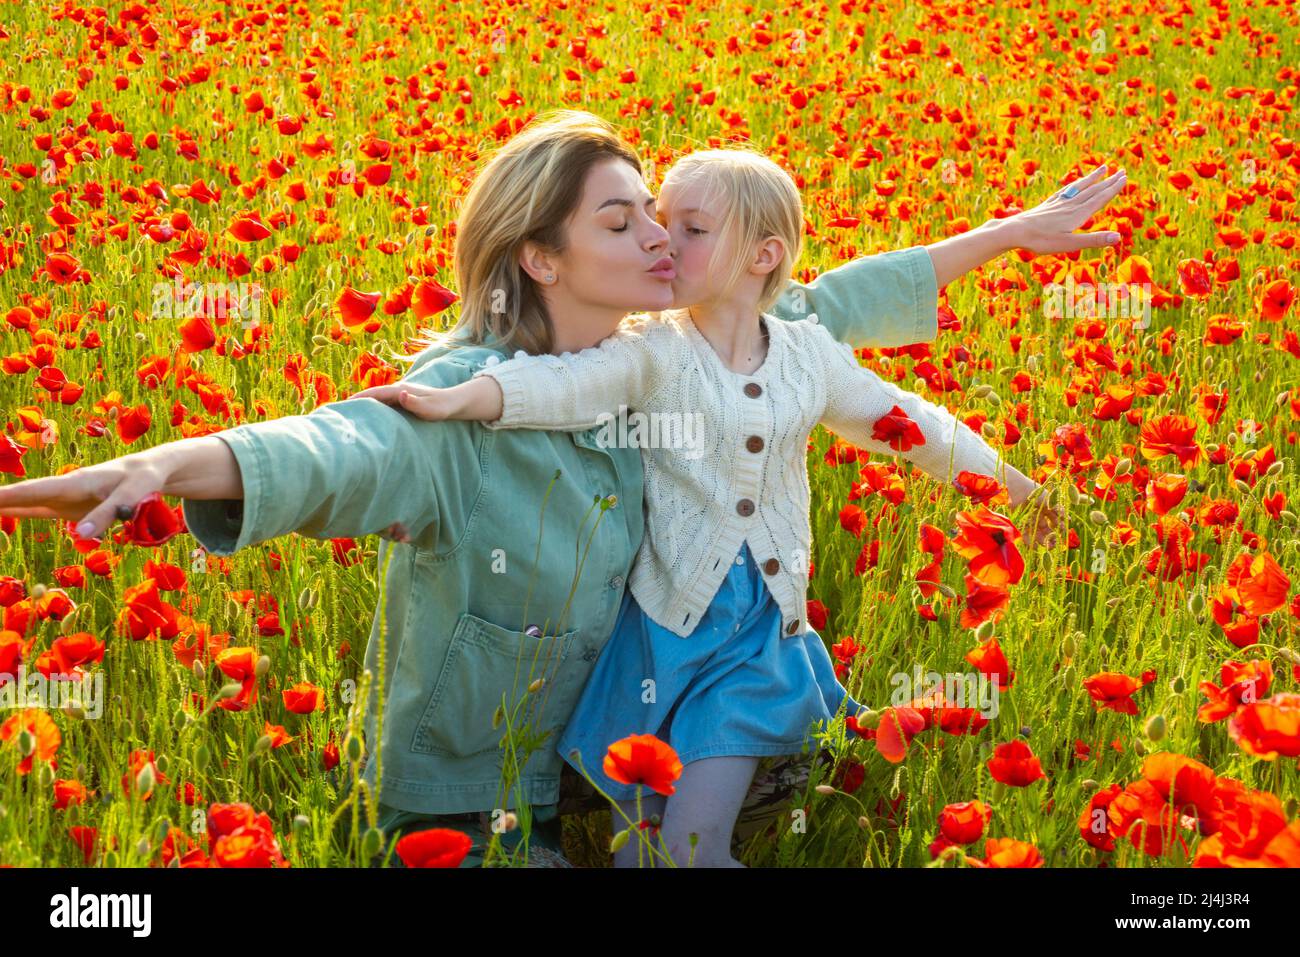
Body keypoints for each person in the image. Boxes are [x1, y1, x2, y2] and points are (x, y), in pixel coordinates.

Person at [0, 109, 1121, 867]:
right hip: (473, 793)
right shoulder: (463, 403)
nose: (659, 239)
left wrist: (1015, 235)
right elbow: (329, 449)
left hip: (621, 736)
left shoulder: (669, 348)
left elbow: (823, 316)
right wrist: (161, 463)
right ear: (540, 256)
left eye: (662, 213)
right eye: (622, 219)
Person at [350, 146, 1064, 866]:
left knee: (692, 847)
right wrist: (460, 397)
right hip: (660, 631)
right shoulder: (654, 350)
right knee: (639, 853)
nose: (663, 240)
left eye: (691, 228)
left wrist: (1016, 488)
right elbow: (562, 383)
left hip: (753, 645)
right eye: (662, 221)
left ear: (764, 254)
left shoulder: (808, 355)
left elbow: (908, 423)